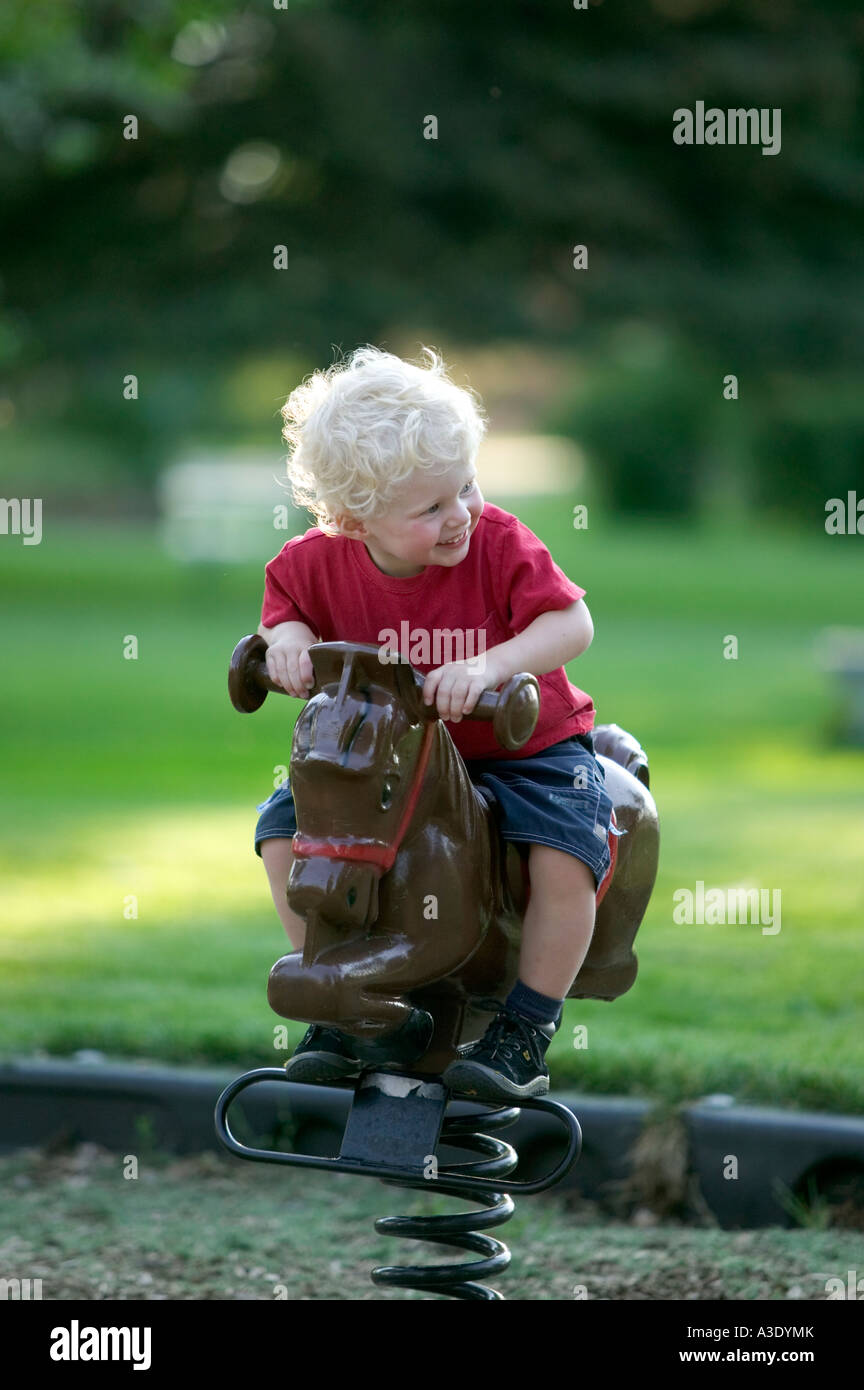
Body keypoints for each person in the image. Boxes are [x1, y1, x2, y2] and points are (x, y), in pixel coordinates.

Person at [253, 345, 616, 1103]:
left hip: (524, 746)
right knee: (286, 830)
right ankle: (338, 998)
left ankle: (527, 1023)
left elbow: (570, 623)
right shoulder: (316, 562)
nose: (462, 515)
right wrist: (285, 647)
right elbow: (284, 616)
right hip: (392, 761)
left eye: (467, 487)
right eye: (431, 509)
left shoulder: (498, 544)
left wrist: (489, 667)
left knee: (565, 853)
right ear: (356, 520)